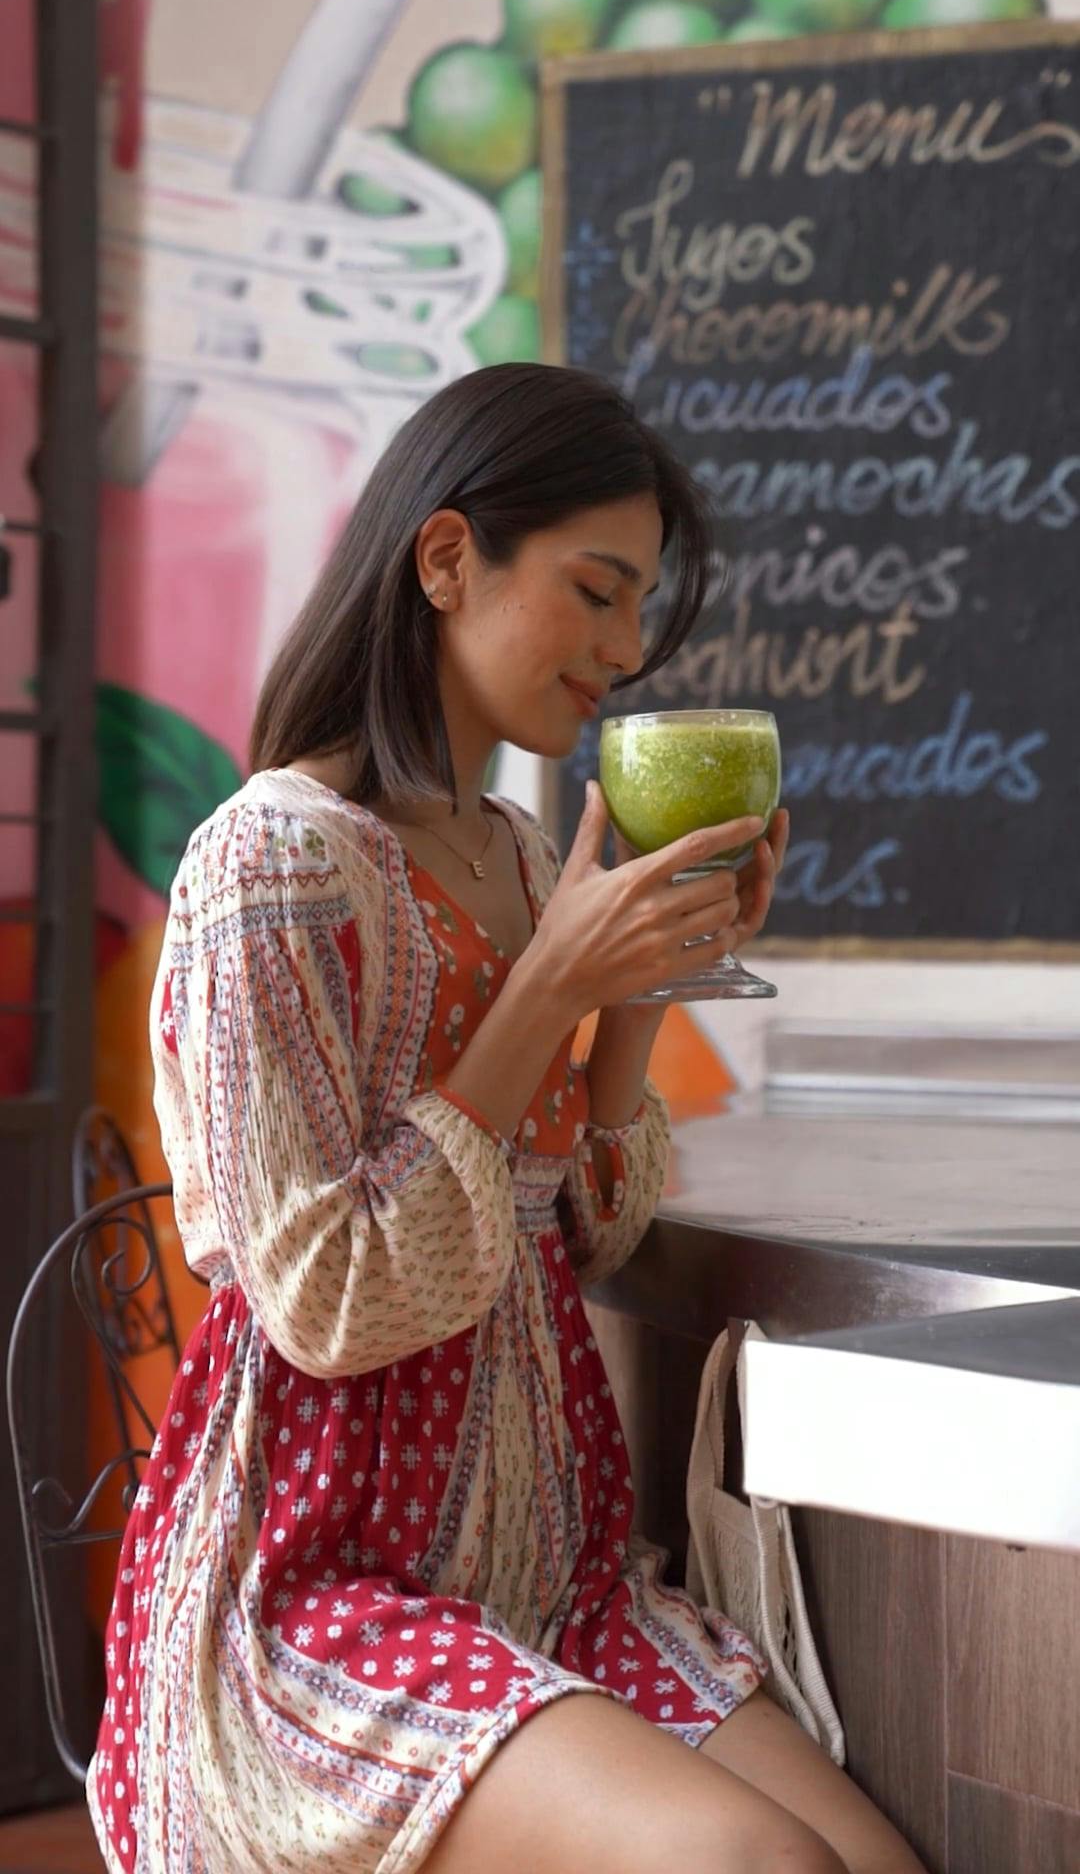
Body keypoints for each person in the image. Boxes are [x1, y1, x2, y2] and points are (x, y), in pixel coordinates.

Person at [88, 364, 924, 1874]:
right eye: (597, 591)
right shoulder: (268, 871)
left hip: (552, 1573)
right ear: (446, 558)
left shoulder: (531, 861)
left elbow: (581, 1229)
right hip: (321, 1597)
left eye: (641, 606)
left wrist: (645, 984)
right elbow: (329, 1303)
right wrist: (550, 985)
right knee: (763, 1866)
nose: (626, 650)